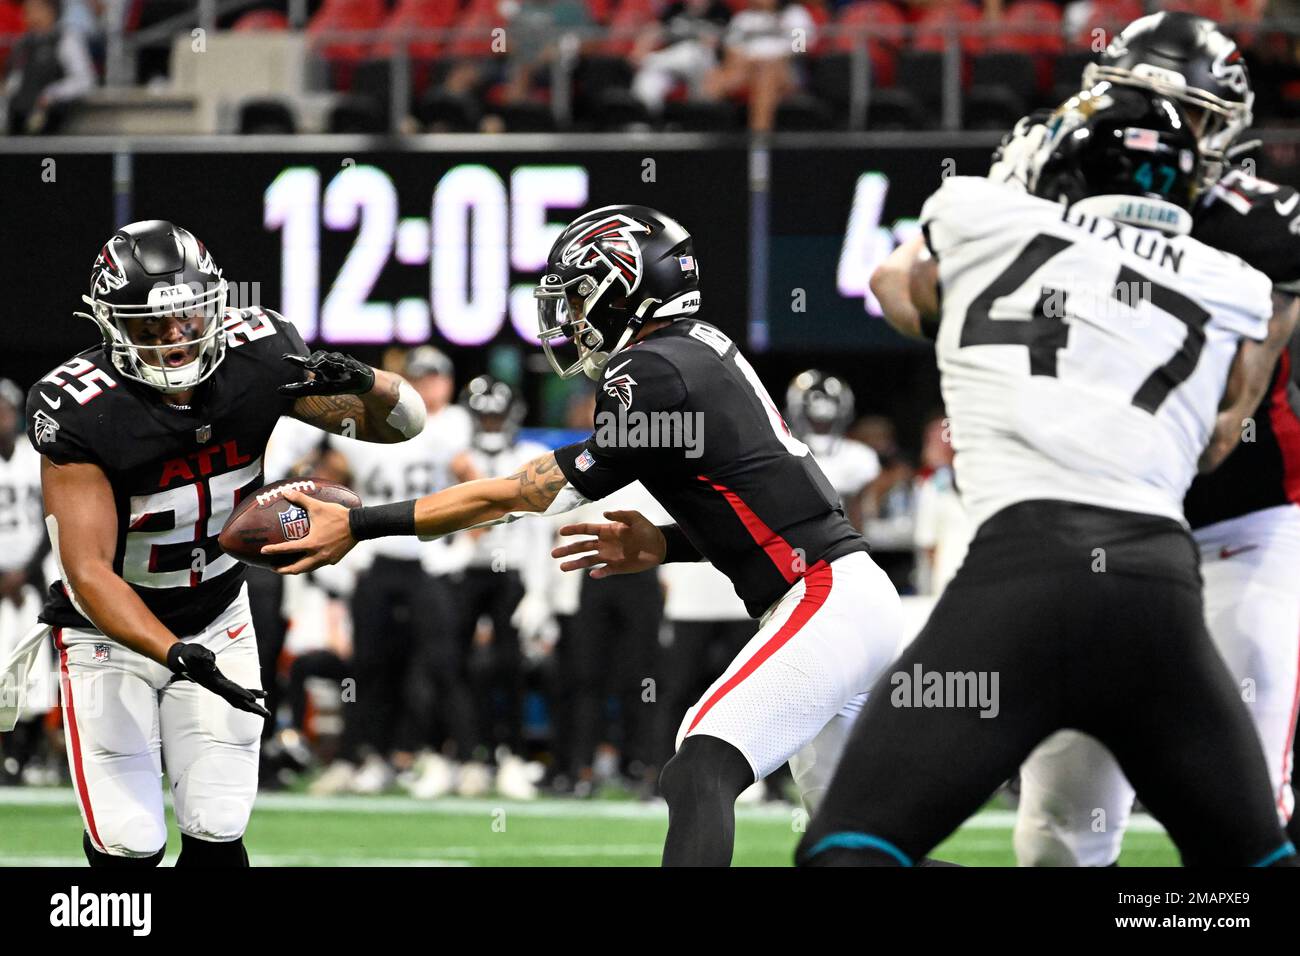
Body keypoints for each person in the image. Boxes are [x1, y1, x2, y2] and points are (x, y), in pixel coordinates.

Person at [264, 204, 903, 866]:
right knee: (846, 857)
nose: (568, 316)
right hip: (846, 595)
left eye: (576, 295)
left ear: (624, 285)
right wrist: (665, 541)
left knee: (699, 765)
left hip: (822, 596)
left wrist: (364, 522)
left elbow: (519, 493)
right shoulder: (697, 348)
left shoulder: (648, 370)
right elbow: (778, 506)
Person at [798, 85, 1296, 867]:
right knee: (1254, 866)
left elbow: (896, 285)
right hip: (1158, 595)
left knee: (851, 848)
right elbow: (1216, 443)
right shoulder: (1230, 283)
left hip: (1019, 583)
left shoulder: (980, 213)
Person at [0, 220, 424, 867]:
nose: (175, 337)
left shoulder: (259, 358)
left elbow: (402, 425)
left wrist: (366, 380)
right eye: (150, 324)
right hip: (109, 633)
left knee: (218, 825)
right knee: (129, 838)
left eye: (188, 316)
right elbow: (88, 571)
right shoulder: (80, 405)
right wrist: (173, 652)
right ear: (112, 325)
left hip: (219, 615)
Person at [990, 12, 1300, 866]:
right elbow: (904, 288)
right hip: (1101, 536)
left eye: (1188, 117)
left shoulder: (1251, 225)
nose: (1166, 136)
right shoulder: (1044, 200)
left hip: (1239, 523)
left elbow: (1227, 425)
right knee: (1061, 829)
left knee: (1243, 812)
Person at [316, 346, 477, 798]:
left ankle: (460, 758)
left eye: (433, 379)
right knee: (368, 665)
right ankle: (361, 756)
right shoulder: (363, 432)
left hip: (426, 563)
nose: (426, 388)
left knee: (441, 665)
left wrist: (459, 548)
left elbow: (478, 488)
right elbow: (325, 483)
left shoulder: (449, 428)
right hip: (377, 561)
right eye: (418, 380)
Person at [0, 378, 55, 784]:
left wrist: (26, 573)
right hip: (2, 583)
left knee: (33, 673)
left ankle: (26, 754)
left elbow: (52, 520)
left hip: (31, 581)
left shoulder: (34, 458)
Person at [3, 0, 95, 135]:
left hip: (56, 119)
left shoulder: (66, 39)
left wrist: (52, 94)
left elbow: (84, 80)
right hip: (21, 117)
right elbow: (15, 79)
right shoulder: (23, 43)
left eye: (38, 10)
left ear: (53, 12)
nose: (33, 17)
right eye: (28, 12)